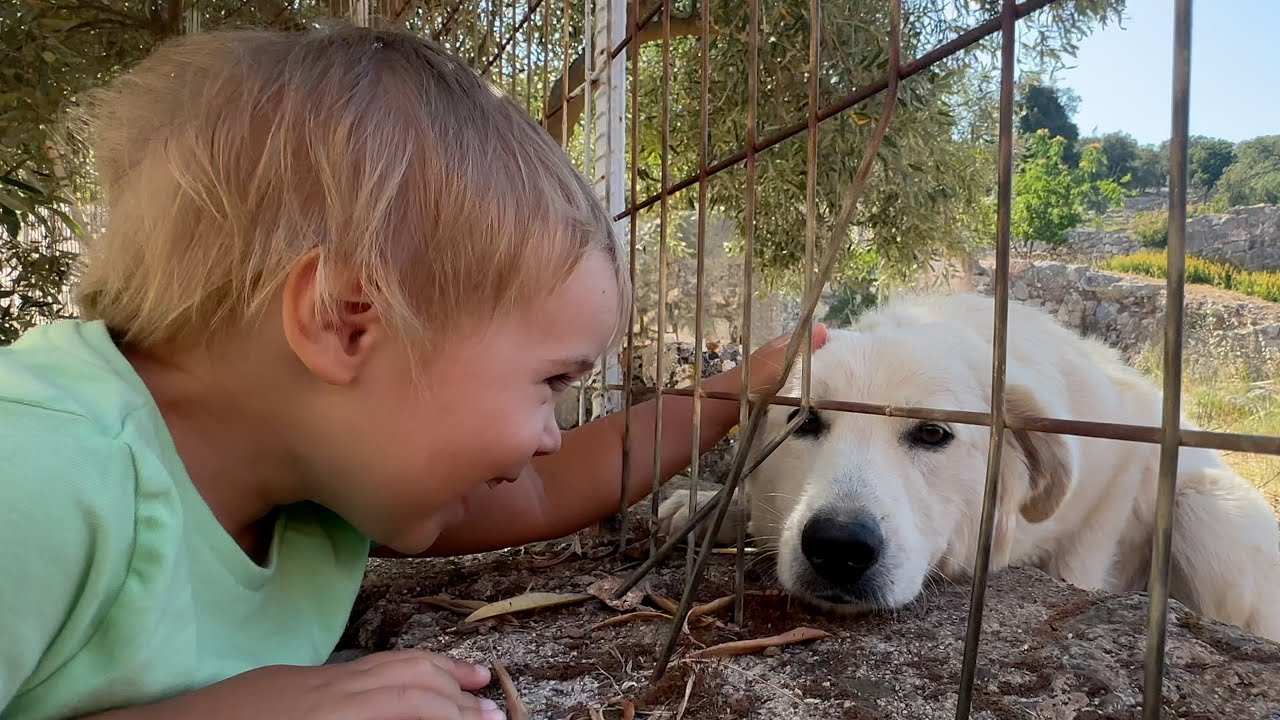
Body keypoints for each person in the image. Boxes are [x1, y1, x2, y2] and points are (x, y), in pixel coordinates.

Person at [0, 23, 828, 720]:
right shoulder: (40, 476)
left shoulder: (321, 473)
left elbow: (549, 490)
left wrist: (740, 389)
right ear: (345, 322)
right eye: (550, 384)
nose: (550, 437)